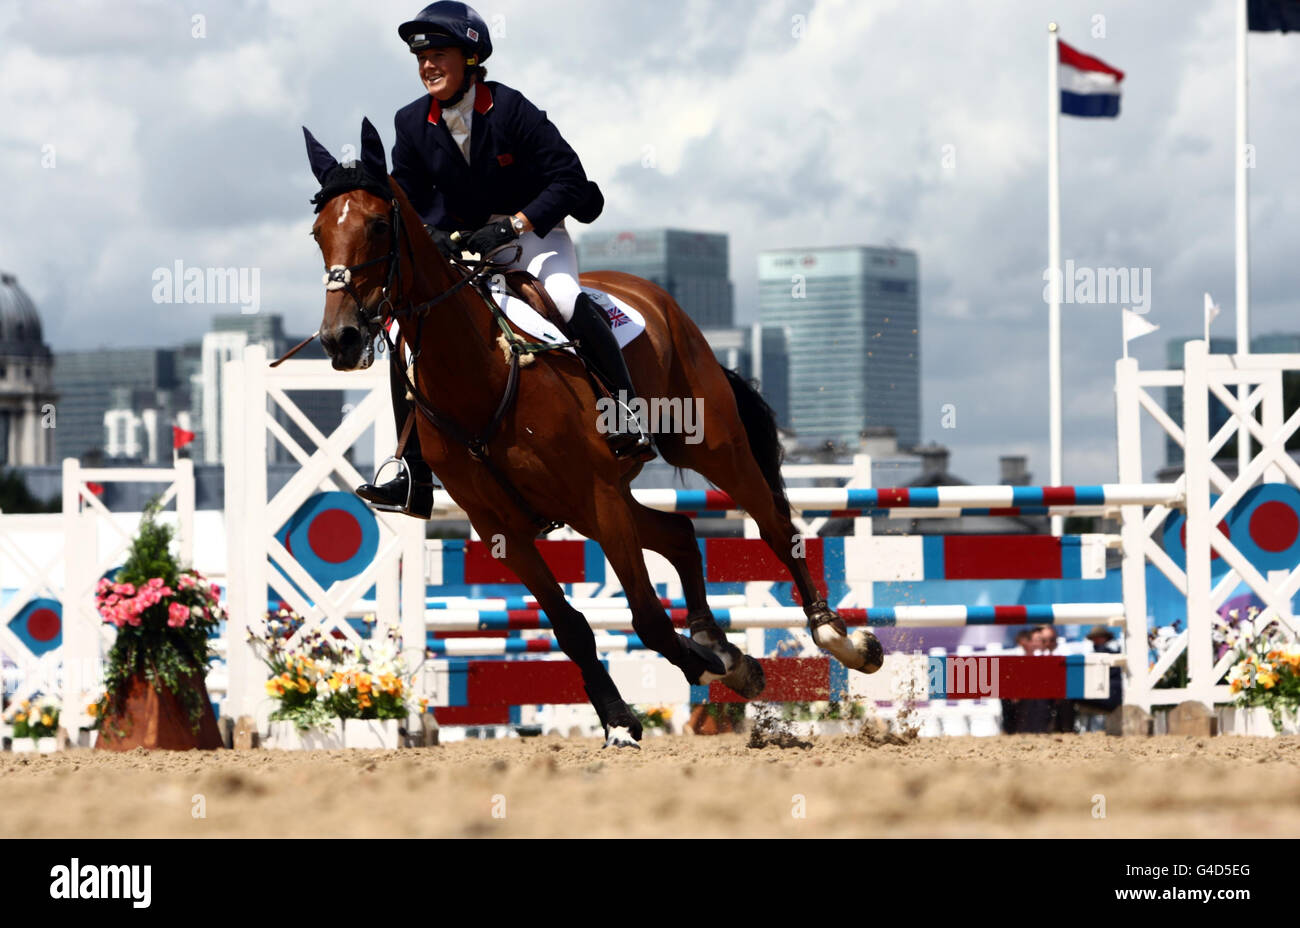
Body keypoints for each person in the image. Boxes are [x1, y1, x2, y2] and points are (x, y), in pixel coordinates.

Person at [356, 1, 652, 518]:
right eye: (420, 58)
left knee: (561, 297)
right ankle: (412, 471)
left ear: (470, 59)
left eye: (439, 54)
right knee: (408, 334)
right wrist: (434, 235)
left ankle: (623, 412)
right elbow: (408, 196)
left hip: (531, 236)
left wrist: (514, 223)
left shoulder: (511, 109)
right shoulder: (410, 121)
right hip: (464, 249)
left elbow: (570, 180)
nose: (427, 66)